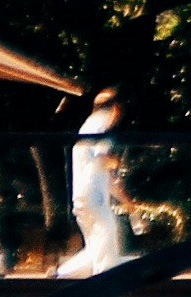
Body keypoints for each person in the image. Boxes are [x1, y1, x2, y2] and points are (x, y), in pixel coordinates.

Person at [68, 88, 130, 274]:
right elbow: (102, 158)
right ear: (117, 109)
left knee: (95, 251)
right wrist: (116, 161)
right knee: (106, 258)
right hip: (95, 198)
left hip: (81, 198)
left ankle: (59, 276)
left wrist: (125, 200)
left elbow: (98, 168)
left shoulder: (86, 127)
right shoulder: (104, 128)